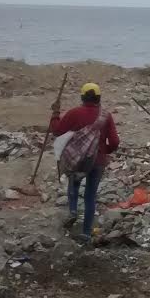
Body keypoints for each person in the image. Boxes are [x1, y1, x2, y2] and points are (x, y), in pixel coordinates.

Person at [50, 82, 120, 241]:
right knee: (90, 196)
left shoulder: (74, 113)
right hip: (98, 161)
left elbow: (57, 131)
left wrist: (55, 114)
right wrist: (104, 151)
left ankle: (73, 211)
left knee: (73, 183)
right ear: (99, 98)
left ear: (82, 97)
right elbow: (115, 142)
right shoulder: (106, 116)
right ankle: (86, 233)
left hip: (79, 159)